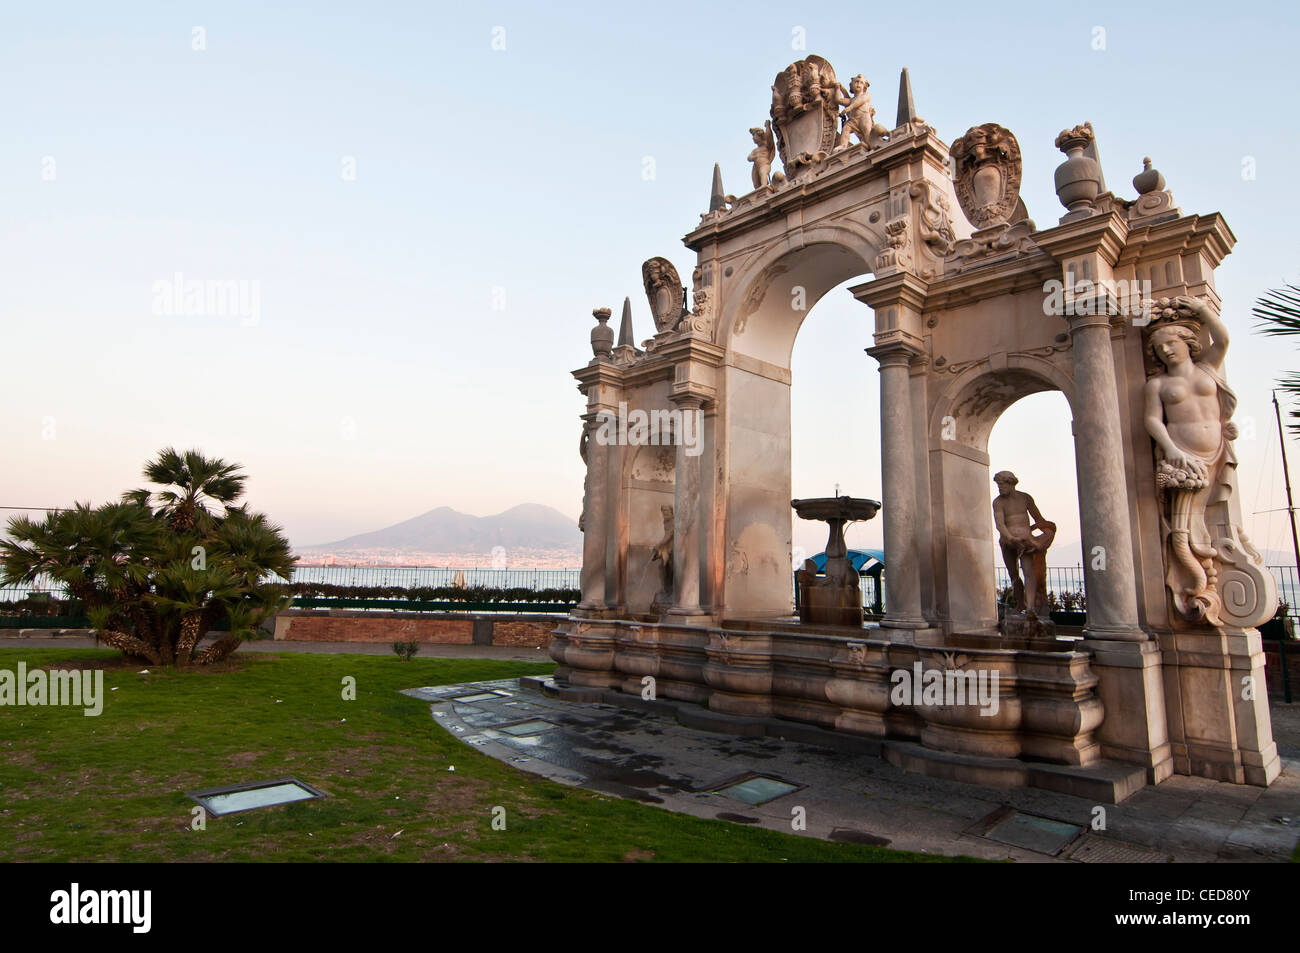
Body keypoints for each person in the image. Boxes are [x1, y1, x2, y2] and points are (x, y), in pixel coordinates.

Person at [992, 471, 1055, 617]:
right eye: (998, 485)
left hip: (1026, 542)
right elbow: (1000, 525)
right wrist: (1011, 538)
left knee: (1029, 573)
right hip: (1008, 542)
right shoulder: (998, 502)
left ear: (1011, 483)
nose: (999, 488)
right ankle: (1021, 604)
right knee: (1013, 574)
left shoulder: (1025, 498)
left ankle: (1031, 608)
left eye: (1002, 485)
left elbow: (1039, 519)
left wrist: (1047, 533)